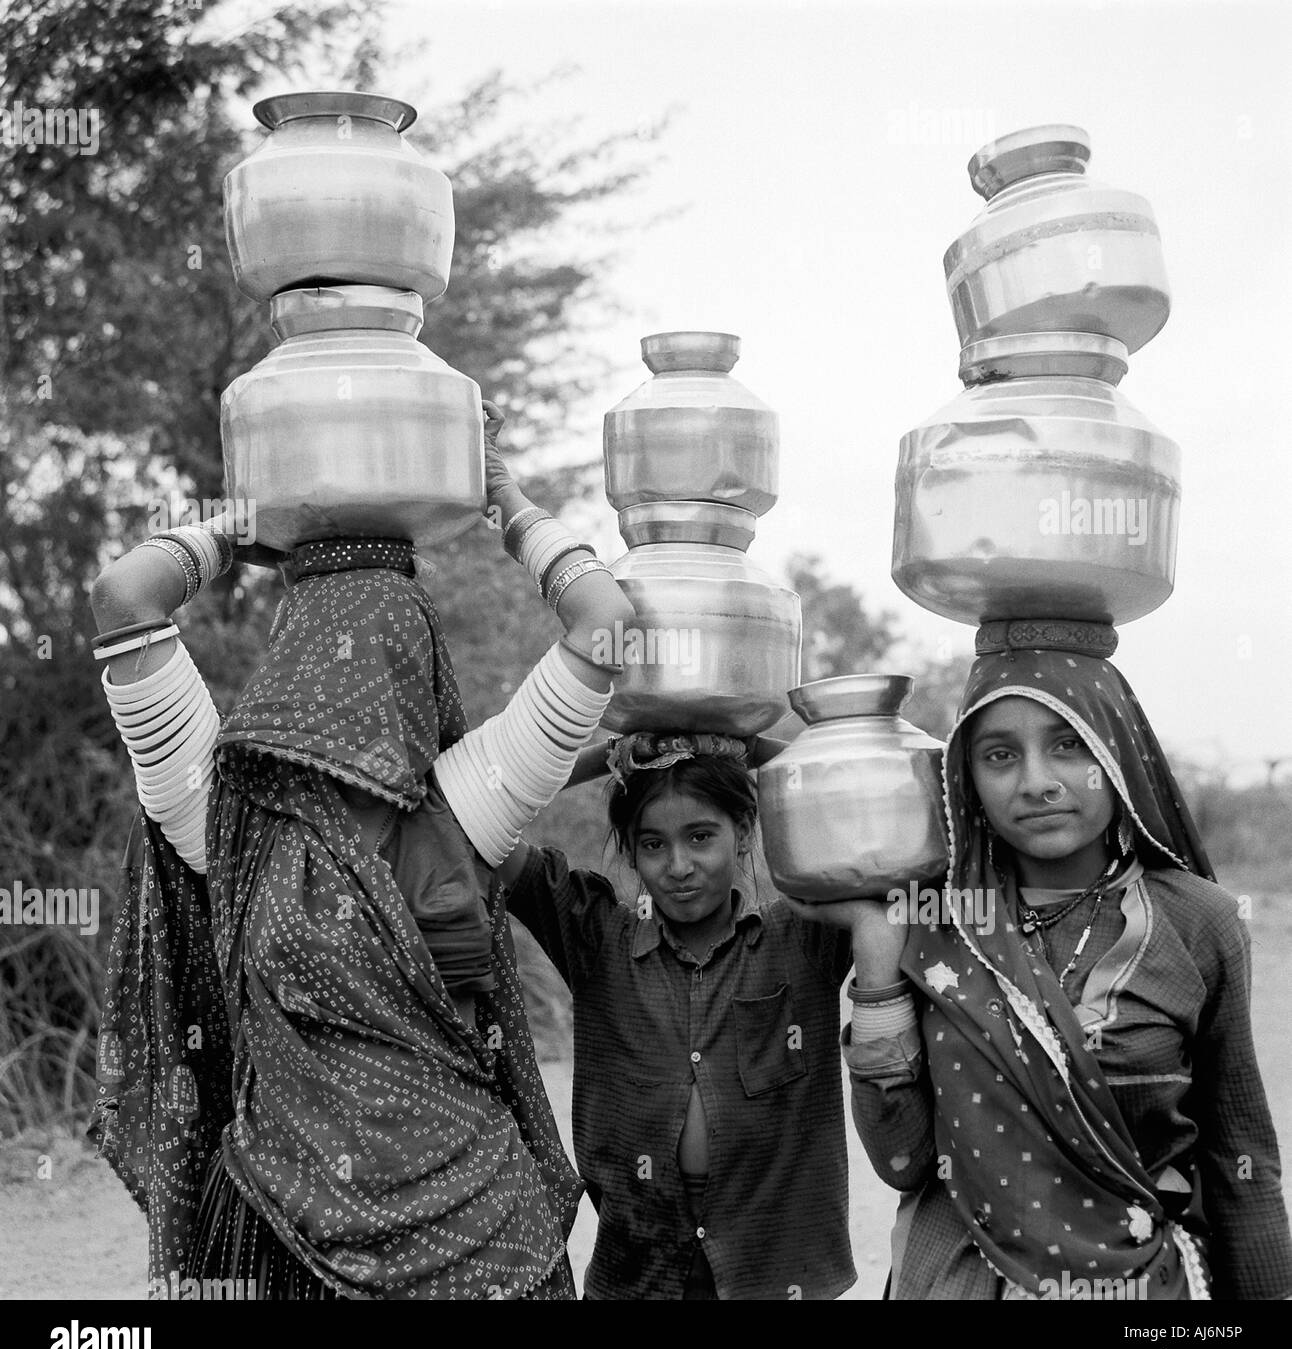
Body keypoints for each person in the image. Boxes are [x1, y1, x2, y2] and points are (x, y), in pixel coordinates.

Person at [87, 403, 635, 1299]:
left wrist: (247, 517)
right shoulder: (463, 803)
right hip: (472, 1238)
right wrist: (508, 506)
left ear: (283, 657)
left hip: (294, 1232)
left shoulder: (218, 816)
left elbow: (122, 600)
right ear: (425, 657)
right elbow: (606, 625)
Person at [803, 621, 1292, 1300]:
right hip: (955, 1282)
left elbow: (1243, 1169)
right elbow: (903, 1159)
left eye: (1068, 746)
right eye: (1000, 755)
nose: (1037, 782)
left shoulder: (1197, 923)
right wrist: (879, 962)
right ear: (965, 777)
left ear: (1115, 751)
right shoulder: (935, 923)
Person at [498, 733, 858, 1299]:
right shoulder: (596, 940)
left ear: (742, 833)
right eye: (653, 844)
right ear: (632, 851)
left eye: (700, 836)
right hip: (637, 1273)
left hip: (777, 1271)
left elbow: (878, 800)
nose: (679, 866)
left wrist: (746, 743)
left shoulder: (802, 940)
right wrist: (608, 757)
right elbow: (478, 814)